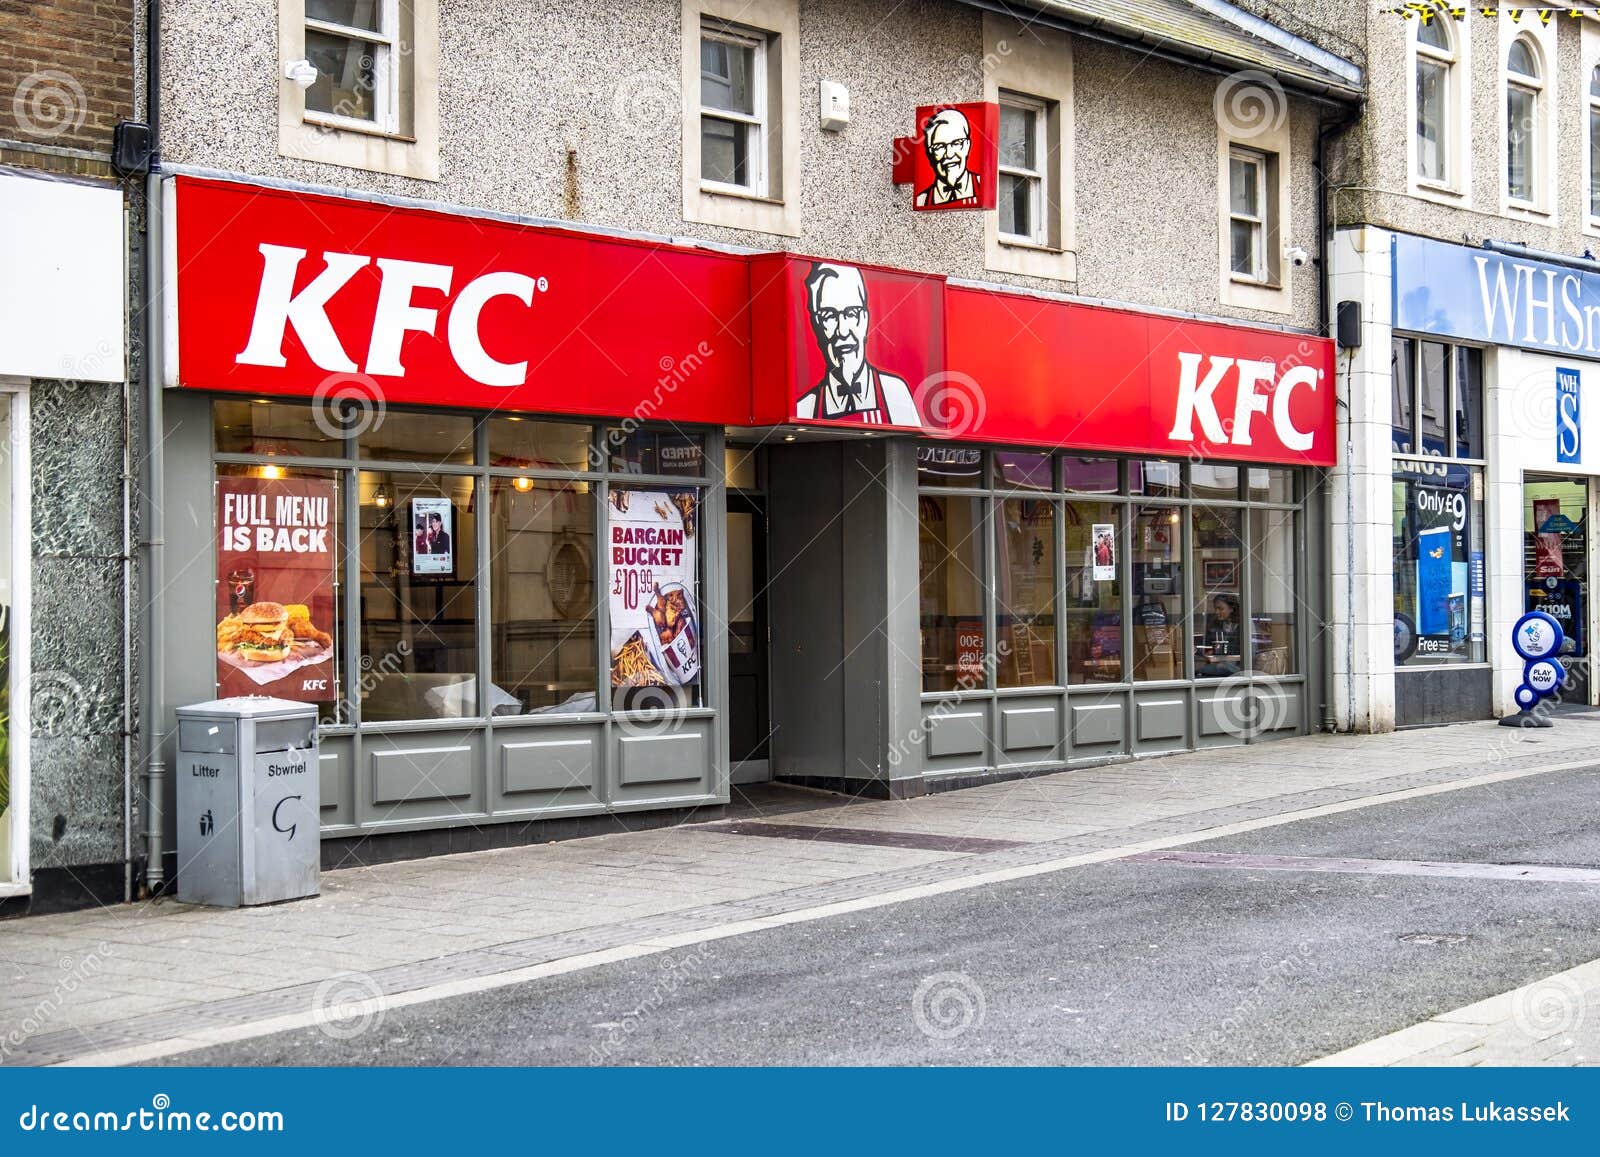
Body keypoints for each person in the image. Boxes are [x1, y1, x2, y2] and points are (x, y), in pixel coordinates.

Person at [796, 263, 921, 426]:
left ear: (864, 319)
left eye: (851, 313)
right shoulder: (805, 408)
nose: (842, 331)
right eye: (829, 316)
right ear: (817, 324)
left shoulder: (895, 393)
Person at [914, 108, 981, 208]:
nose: (949, 154)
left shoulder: (985, 187)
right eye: (939, 146)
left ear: (967, 146)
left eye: (956, 143)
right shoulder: (921, 201)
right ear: (930, 153)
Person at [1197, 593, 1242, 676]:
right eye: (1215, 609)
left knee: (1198, 670)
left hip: (1236, 668)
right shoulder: (1216, 625)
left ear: (1231, 608)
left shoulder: (1243, 626)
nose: (1217, 612)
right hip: (1220, 664)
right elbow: (1209, 646)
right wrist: (1210, 652)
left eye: (1220, 609)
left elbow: (1247, 655)